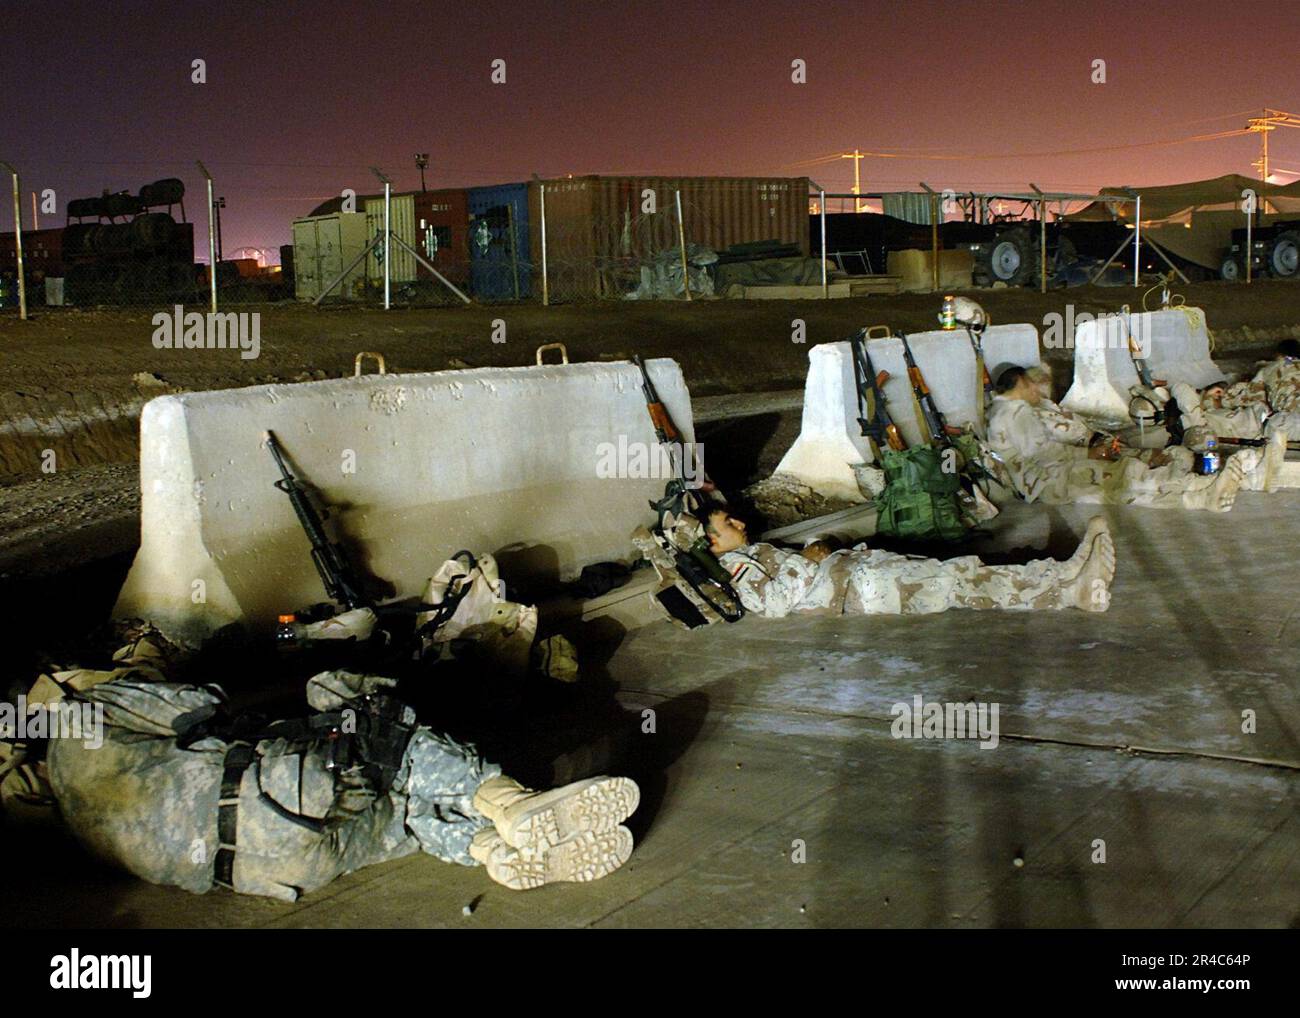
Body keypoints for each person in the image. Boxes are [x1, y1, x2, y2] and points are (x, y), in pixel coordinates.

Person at [16, 635, 639, 901]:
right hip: (268, 802)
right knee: (368, 724)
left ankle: (487, 851)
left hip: (274, 873)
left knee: (399, 814)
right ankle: (509, 804)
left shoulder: (72, 816)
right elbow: (200, 706)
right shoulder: (90, 710)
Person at [695, 505, 1116, 617]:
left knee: (962, 575)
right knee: (962, 583)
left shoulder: (751, 554)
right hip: (862, 590)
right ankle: (1069, 587)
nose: (737, 521)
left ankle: (1067, 575)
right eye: (725, 523)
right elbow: (775, 604)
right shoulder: (738, 568)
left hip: (860, 577)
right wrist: (810, 557)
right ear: (714, 543)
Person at [986, 365, 1268, 510]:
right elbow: (1043, 454)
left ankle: (1200, 490)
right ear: (1021, 383)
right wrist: (1089, 454)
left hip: (1046, 476)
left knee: (1128, 480)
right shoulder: (1014, 413)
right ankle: (1199, 491)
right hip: (1045, 480)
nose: (1037, 389)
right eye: (1032, 383)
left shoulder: (1007, 410)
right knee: (1126, 479)